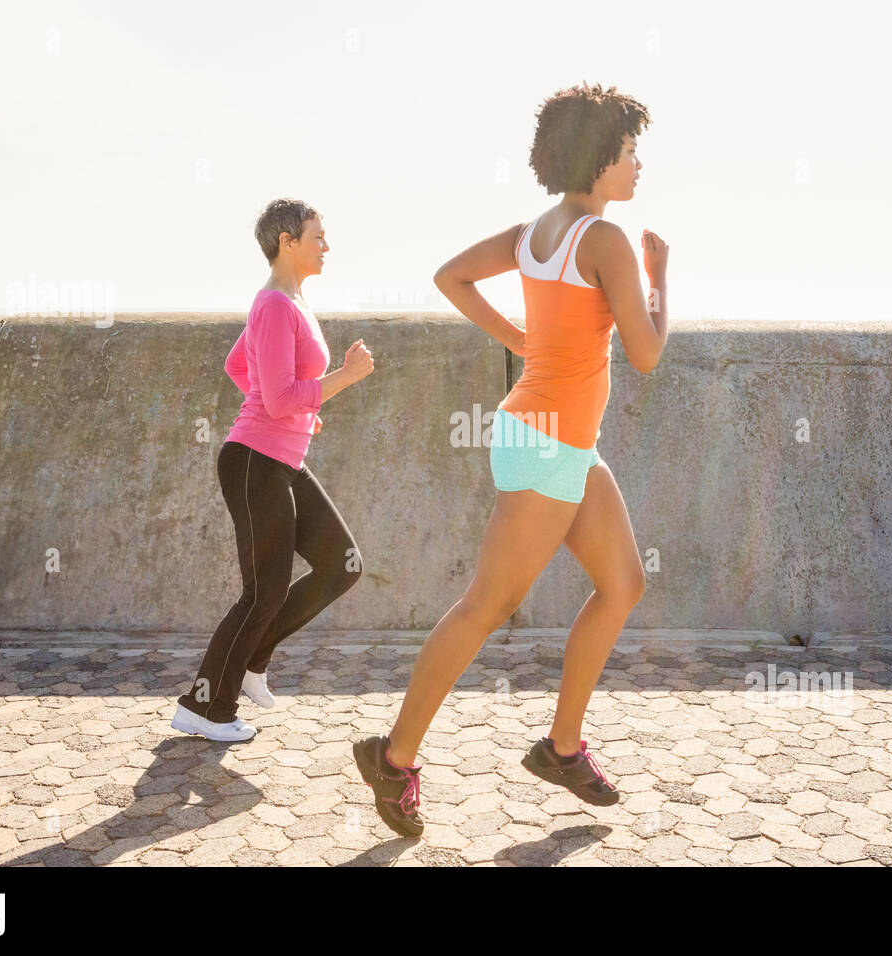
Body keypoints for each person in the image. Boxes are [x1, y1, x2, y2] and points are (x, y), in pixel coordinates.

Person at [353, 84, 669, 836]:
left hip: (552, 438)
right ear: (598, 155)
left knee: (622, 583)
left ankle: (562, 747)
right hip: (549, 442)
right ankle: (393, 761)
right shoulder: (604, 240)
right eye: (630, 152)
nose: (638, 165)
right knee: (486, 606)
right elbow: (649, 354)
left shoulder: (536, 232)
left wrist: (518, 340)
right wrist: (662, 280)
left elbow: (449, 276)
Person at [172, 198, 374, 742]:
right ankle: (204, 706)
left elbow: (238, 366)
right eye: (317, 236)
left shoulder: (293, 301)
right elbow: (281, 399)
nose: (326, 245)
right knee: (263, 592)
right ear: (287, 241)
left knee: (343, 564)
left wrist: (298, 412)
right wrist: (345, 378)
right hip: (254, 461)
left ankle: (254, 660)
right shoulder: (274, 305)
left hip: (282, 458)